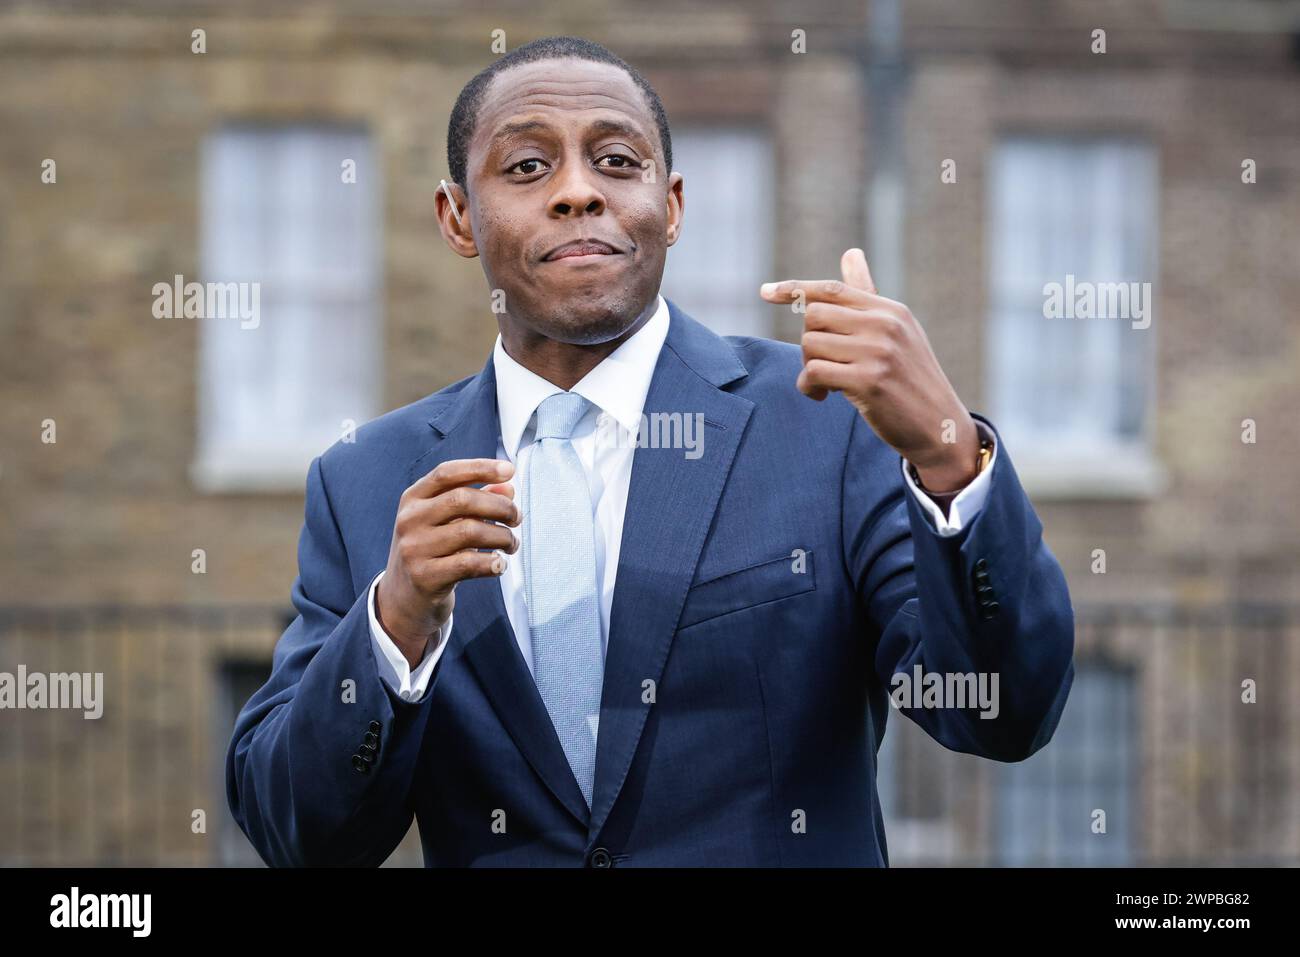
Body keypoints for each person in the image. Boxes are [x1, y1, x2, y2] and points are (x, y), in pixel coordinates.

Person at [226, 35, 1074, 867]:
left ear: (669, 206)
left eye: (617, 162)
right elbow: (298, 832)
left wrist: (950, 454)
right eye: (527, 168)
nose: (577, 194)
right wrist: (396, 623)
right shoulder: (368, 480)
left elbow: (1002, 715)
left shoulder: (824, 420)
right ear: (456, 218)